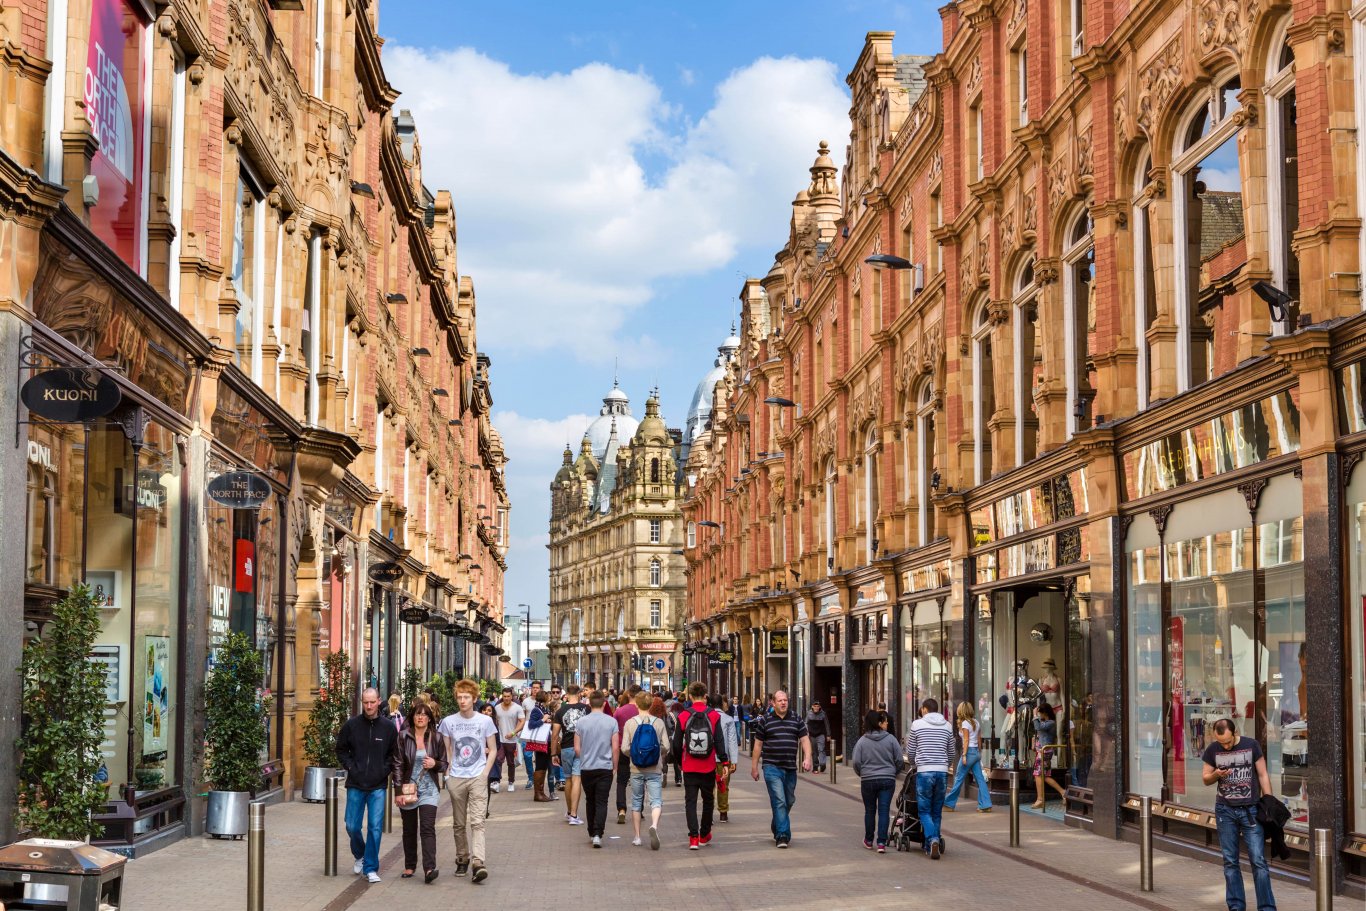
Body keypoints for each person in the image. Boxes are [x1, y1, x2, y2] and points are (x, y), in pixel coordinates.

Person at [1203, 718, 1277, 911]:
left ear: (1235, 733)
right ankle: (1236, 906)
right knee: (1230, 861)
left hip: (1250, 810)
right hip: (1225, 811)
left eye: (1228, 742)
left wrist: (1268, 801)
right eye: (1221, 743)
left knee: (1258, 861)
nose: (1225, 746)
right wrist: (1216, 775)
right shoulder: (1212, 750)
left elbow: (1262, 774)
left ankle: (1267, 907)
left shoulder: (1251, 745)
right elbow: (1205, 778)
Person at [336, 687, 398, 883]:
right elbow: (341, 749)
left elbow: (393, 754)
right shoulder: (351, 725)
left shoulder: (388, 727)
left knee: (375, 827)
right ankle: (360, 855)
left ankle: (370, 867)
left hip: (378, 785)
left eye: (372, 702)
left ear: (379, 701)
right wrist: (351, 767)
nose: (369, 706)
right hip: (356, 783)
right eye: (366, 702)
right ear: (362, 702)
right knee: (352, 826)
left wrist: (384, 770)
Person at [439, 678, 497, 883]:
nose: (463, 701)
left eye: (466, 697)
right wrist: (447, 775)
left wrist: (484, 774)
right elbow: (446, 751)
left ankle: (478, 862)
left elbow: (493, 749)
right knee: (458, 823)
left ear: (474, 699)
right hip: (456, 777)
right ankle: (462, 858)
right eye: (460, 697)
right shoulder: (448, 722)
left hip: (478, 776)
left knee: (478, 821)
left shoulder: (485, 721)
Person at [392, 701, 447, 883]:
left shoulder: (436, 738)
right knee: (409, 829)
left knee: (427, 828)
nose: (421, 717)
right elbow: (398, 764)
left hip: (429, 789)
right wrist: (398, 791)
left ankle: (429, 868)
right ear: (412, 717)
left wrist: (435, 764)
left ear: (429, 718)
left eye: (424, 714)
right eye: (417, 714)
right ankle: (410, 865)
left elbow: (444, 764)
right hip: (408, 789)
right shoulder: (403, 737)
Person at [750, 690, 812, 848]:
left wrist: (807, 758)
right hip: (771, 767)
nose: (783, 703)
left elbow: (804, 739)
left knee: (789, 800)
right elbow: (758, 744)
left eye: (785, 700)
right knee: (780, 800)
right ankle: (782, 835)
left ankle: (777, 824)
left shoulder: (796, 718)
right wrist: (754, 767)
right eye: (780, 700)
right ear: (773, 703)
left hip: (790, 767)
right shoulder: (765, 720)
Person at [675, 682, 729, 850]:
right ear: (705, 695)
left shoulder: (683, 715)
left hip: (689, 766)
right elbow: (719, 740)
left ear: (690, 696)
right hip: (708, 765)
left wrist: (679, 762)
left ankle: (693, 838)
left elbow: (676, 743)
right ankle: (705, 834)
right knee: (708, 800)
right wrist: (724, 761)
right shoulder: (713, 715)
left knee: (690, 802)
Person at [906, 697, 954, 859]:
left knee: (924, 810)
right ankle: (931, 844)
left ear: (925, 709)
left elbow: (911, 750)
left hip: (924, 772)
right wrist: (945, 765)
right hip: (942, 772)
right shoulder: (947, 726)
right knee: (936, 811)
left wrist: (914, 765)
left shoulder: (917, 725)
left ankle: (932, 839)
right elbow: (951, 751)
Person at [622, 691, 670, 850]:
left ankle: (637, 837)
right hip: (654, 769)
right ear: (651, 705)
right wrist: (656, 753)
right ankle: (654, 825)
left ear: (636, 704)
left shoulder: (630, 723)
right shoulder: (658, 723)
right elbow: (667, 747)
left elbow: (624, 748)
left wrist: (635, 755)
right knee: (656, 801)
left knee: (636, 801)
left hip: (636, 768)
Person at [852, 709, 903, 852]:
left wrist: (862, 773)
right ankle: (881, 842)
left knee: (869, 811)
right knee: (884, 810)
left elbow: (856, 762)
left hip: (868, 779)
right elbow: (899, 760)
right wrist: (893, 772)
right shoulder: (891, 739)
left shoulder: (862, 741)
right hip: (887, 779)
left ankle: (868, 840)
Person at [574, 692, 620, 848]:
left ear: (589, 704)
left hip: (587, 767)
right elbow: (615, 747)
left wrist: (585, 757)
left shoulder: (581, 722)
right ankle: (598, 834)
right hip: (605, 767)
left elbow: (577, 748)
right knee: (602, 801)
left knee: (590, 800)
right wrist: (615, 766)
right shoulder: (612, 722)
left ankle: (591, 831)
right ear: (604, 704)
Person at [944, 700, 993, 813]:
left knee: (958, 778)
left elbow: (966, 740)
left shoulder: (965, 723)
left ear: (962, 711)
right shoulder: (976, 722)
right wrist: (979, 753)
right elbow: (979, 739)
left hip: (969, 752)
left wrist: (964, 755)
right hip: (975, 752)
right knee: (980, 779)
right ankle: (985, 805)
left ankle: (948, 804)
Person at [552, 684, 590, 825]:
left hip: (566, 748)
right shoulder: (587, 709)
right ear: (579, 693)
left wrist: (553, 753)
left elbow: (555, 735)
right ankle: (574, 814)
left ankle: (569, 812)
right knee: (577, 779)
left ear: (566, 694)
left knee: (568, 779)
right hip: (582, 747)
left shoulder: (560, 711)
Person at [613, 684, 643, 824]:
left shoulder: (619, 711)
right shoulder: (643, 711)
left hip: (623, 748)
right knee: (639, 780)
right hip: (640, 750)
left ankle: (621, 809)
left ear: (628, 695)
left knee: (621, 781)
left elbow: (614, 731)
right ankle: (638, 809)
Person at [1031, 702, 1068, 808]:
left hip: (1045, 751)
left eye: (1040, 713)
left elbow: (1038, 727)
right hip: (1041, 750)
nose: (1039, 715)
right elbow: (1039, 732)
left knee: (1038, 775)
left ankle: (1040, 799)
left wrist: (1034, 715)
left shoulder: (1051, 723)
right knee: (1044, 775)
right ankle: (1063, 792)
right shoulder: (1045, 722)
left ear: (1045, 712)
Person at [490, 688, 525, 792]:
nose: (506, 698)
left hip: (512, 740)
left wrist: (513, 732)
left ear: (512, 696)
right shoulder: (497, 708)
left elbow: (522, 721)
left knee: (511, 763)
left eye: (508, 696)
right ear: (502, 696)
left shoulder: (517, 708)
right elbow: (494, 721)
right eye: (504, 696)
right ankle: (496, 782)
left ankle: (511, 781)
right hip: (499, 739)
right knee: (498, 760)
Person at [714, 695, 739, 822]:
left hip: (706, 758)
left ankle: (708, 812)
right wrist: (733, 761)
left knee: (708, 787)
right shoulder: (728, 719)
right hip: (723, 759)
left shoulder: (705, 716)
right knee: (723, 785)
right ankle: (723, 812)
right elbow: (732, 741)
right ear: (722, 703)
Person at [527, 691, 556, 802]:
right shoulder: (536, 710)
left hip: (546, 741)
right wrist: (543, 720)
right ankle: (538, 794)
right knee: (540, 766)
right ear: (544, 699)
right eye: (548, 697)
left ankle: (541, 793)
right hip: (541, 742)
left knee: (543, 766)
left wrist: (547, 721)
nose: (550, 699)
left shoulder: (544, 709)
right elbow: (531, 724)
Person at [805, 700, 831, 773]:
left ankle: (822, 764)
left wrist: (828, 734)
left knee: (821, 749)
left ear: (820, 707)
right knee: (814, 751)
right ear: (812, 707)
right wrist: (806, 732)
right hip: (812, 734)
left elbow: (827, 724)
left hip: (820, 734)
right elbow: (806, 723)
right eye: (815, 706)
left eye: (818, 706)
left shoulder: (823, 714)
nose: (816, 708)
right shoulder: (809, 714)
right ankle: (815, 767)